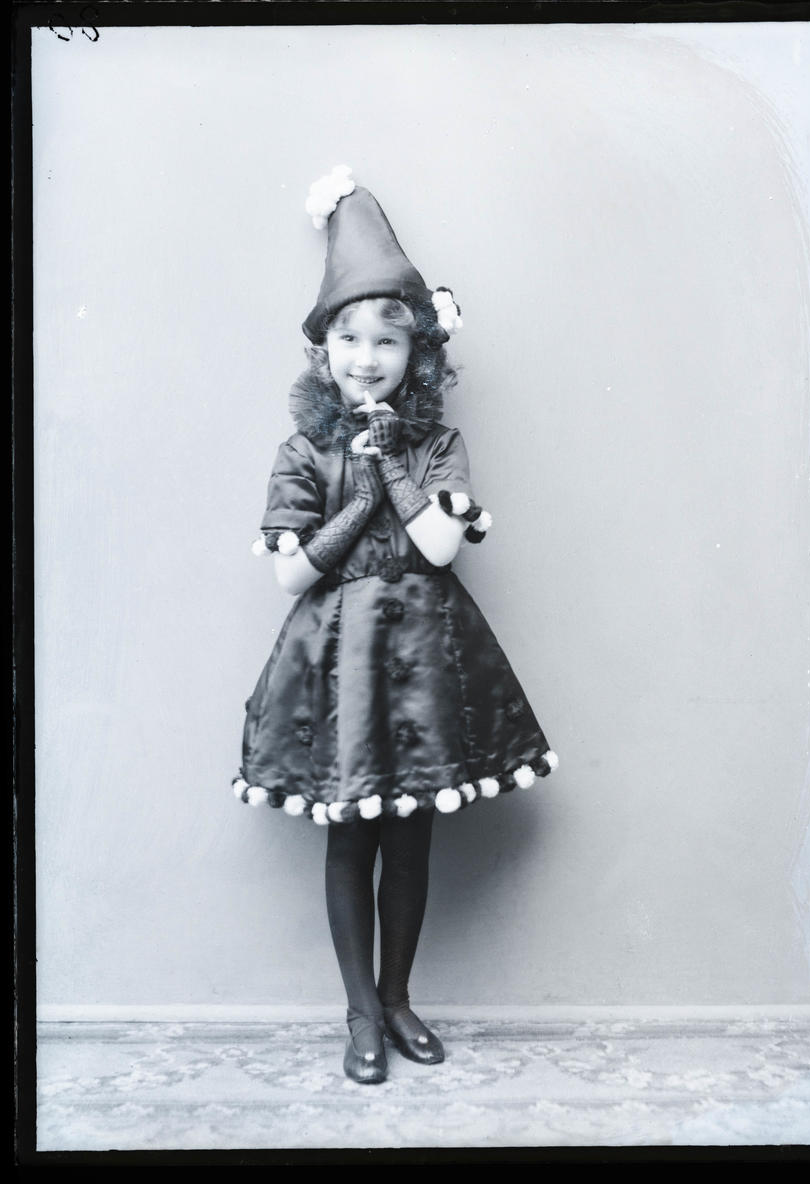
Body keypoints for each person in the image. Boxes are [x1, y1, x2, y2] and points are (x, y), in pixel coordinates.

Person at [233, 167, 558, 1084]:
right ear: (323, 349)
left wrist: (400, 475)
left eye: (388, 338)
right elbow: (292, 571)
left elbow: (444, 550)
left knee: (412, 836)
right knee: (352, 836)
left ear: (419, 352)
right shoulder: (302, 449)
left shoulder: (437, 440)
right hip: (336, 664)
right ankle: (360, 1015)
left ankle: (401, 996)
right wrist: (357, 494)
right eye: (348, 337)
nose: (367, 355)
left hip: (422, 659)